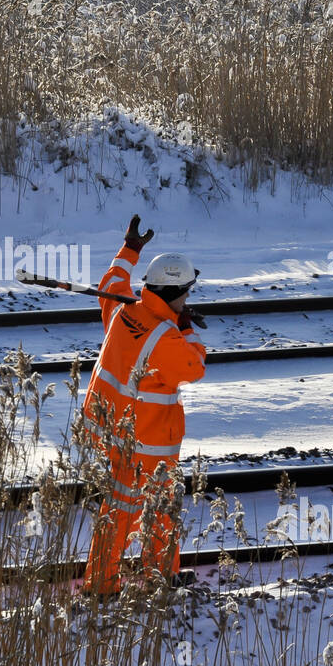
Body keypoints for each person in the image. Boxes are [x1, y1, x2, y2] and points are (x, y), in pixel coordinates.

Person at [81, 215, 207, 595]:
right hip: (144, 441)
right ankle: (102, 587)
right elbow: (195, 365)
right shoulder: (167, 339)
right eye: (185, 293)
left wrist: (130, 249)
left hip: (109, 428)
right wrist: (185, 328)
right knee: (128, 512)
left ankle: (161, 574)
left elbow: (112, 283)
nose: (188, 299)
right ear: (172, 294)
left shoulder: (122, 310)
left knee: (156, 504)